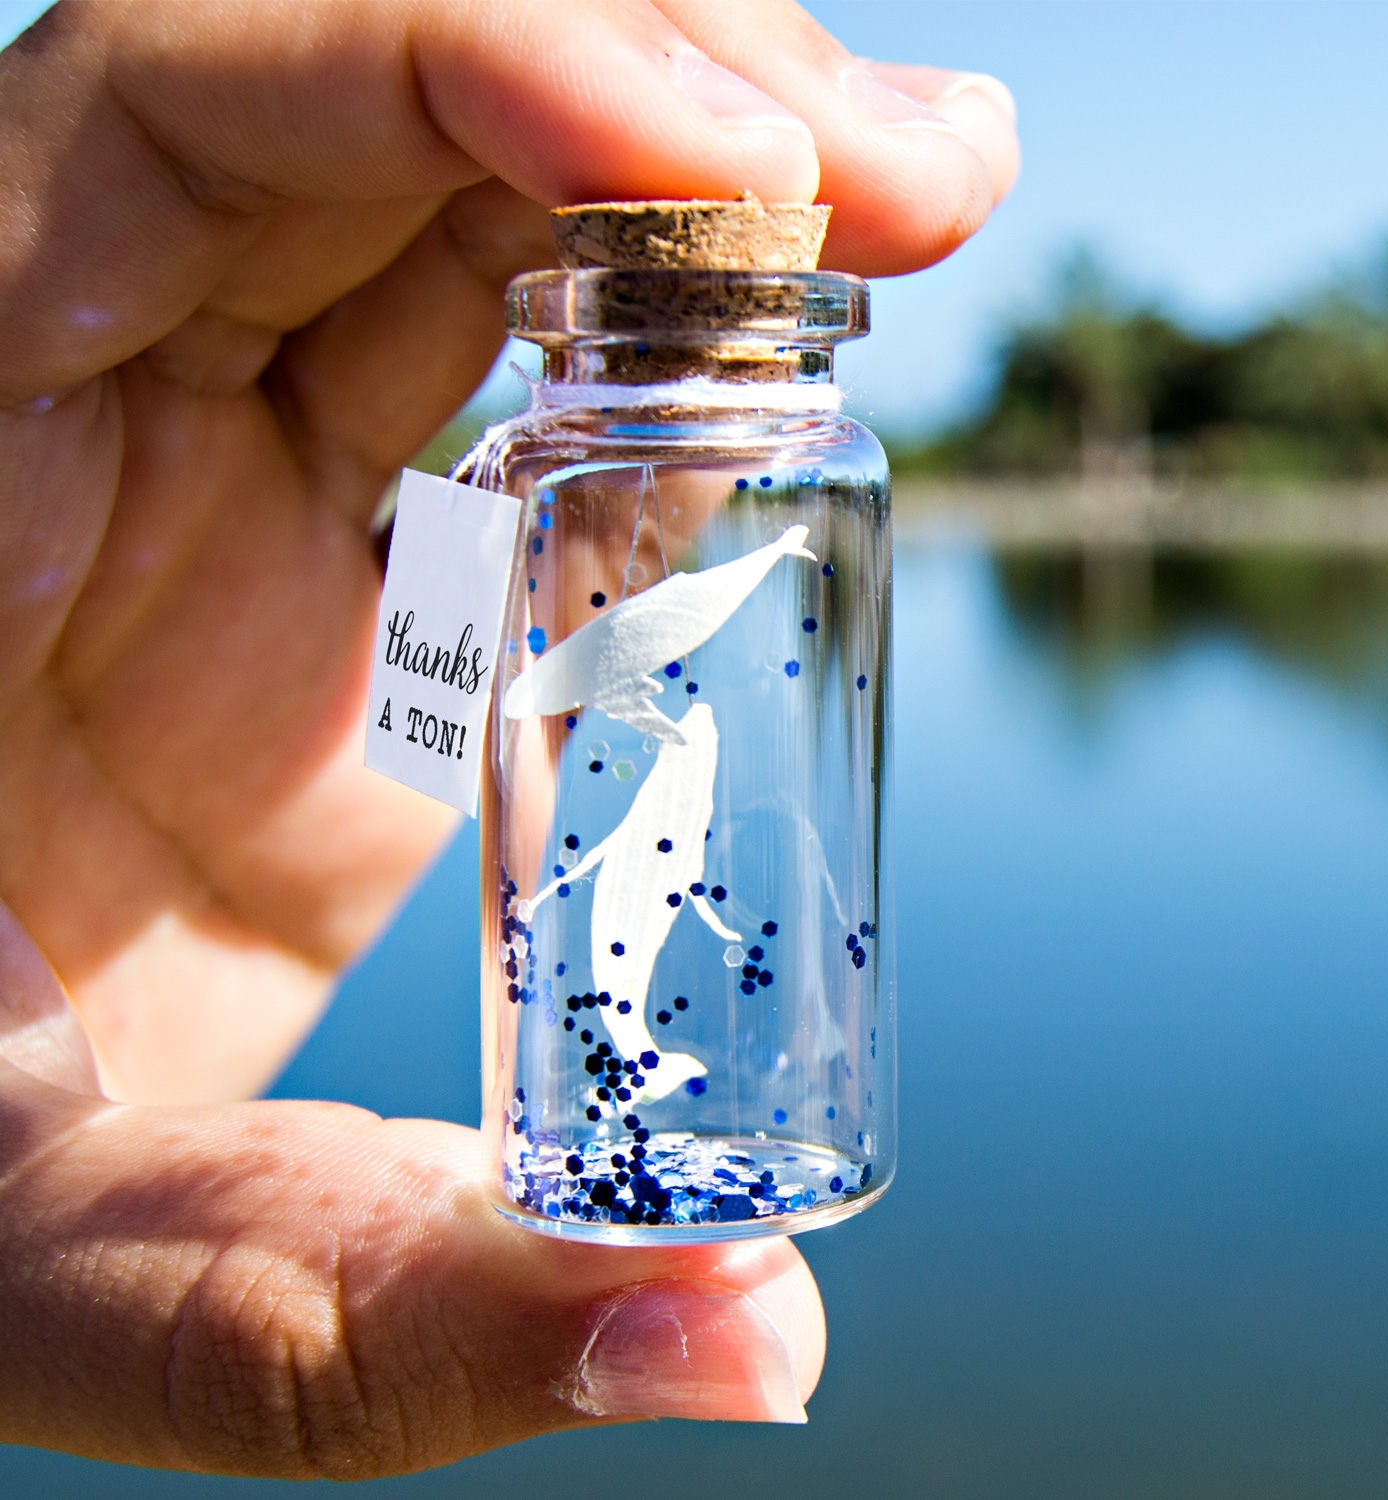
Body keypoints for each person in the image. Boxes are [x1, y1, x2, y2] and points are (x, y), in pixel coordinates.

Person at [0, 0, 1016, 1477]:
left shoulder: (825, 469)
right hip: (579, 1021)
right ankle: (599, 1098)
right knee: (609, 909)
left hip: (771, 1048)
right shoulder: (533, 474)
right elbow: (566, 670)